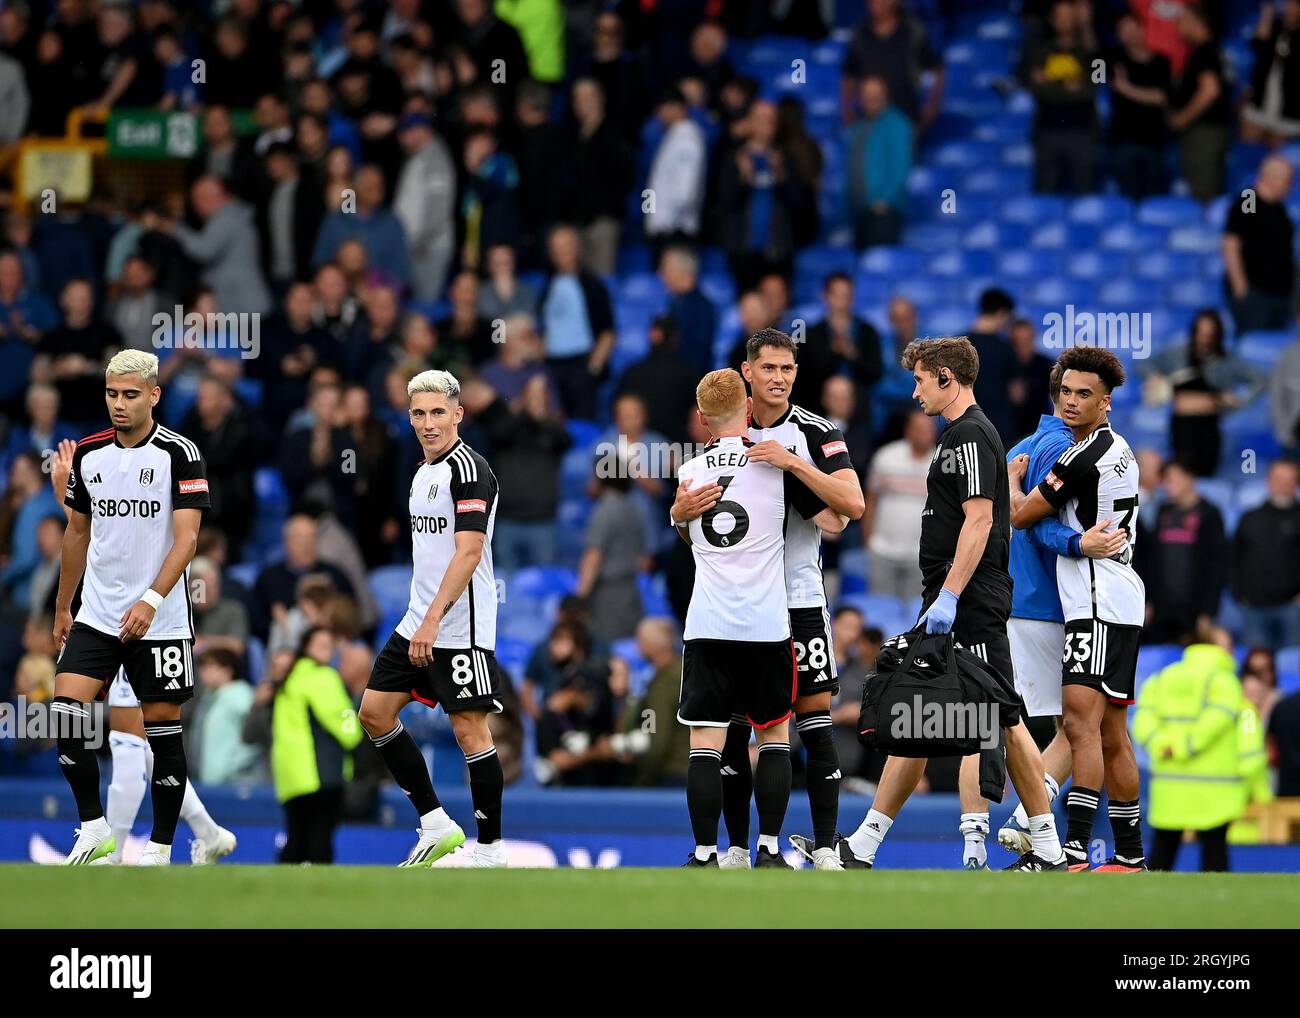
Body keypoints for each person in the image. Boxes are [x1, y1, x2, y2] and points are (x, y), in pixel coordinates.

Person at [819, 338, 1067, 871]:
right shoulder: (958, 435)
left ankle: (1048, 848)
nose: (915, 392)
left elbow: (979, 520)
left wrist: (952, 595)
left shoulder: (972, 435)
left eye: (921, 381)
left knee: (1002, 716)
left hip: (969, 598)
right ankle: (864, 844)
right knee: (919, 712)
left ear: (948, 379)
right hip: (949, 596)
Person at [675, 329, 866, 869]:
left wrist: (794, 464)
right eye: (769, 369)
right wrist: (678, 517)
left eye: (788, 369)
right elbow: (697, 531)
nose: (779, 379)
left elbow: (850, 507)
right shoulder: (723, 438)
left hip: (798, 594)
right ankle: (739, 845)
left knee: (814, 717)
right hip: (743, 601)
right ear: (747, 373)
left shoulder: (814, 431)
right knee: (737, 726)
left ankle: (826, 845)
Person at [51, 350, 212, 867]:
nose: (119, 405)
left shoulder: (180, 454)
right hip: (97, 614)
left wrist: (151, 599)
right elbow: (77, 533)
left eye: (130, 395)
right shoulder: (90, 454)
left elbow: (186, 541)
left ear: (154, 396)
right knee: (65, 712)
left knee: (161, 731)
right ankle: (94, 829)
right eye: (112, 394)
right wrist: (62, 607)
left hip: (159, 619)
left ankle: (161, 848)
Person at [357, 369, 508, 868]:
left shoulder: (471, 470)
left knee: (470, 732)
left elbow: (468, 554)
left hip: (458, 625)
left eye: (438, 412)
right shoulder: (422, 472)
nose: (428, 423)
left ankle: (490, 851)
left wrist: (433, 620)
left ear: (458, 414)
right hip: (418, 619)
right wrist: (420, 618)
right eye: (419, 413)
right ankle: (437, 823)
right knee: (374, 712)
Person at [1011, 345, 1147, 872]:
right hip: (1121, 598)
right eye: (1065, 391)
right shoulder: (1121, 450)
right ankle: (1131, 856)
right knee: (1112, 733)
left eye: (1083, 394)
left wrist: (1011, 481)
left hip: (1095, 601)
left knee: (1079, 727)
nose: (1070, 403)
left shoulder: (1081, 455)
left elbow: (1022, 515)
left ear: (1106, 402)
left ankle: (1069, 852)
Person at [1134, 634, 1264, 872]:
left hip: (1169, 783)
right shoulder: (1225, 682)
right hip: (1215, 788)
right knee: (1214, 851)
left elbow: (1142, 719)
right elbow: (1222, 721)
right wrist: (1187, 745)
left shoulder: (1162, 678)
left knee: (1163, 850)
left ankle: (1147, 903)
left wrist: (1161, 744)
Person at [268, 626, 362, 864]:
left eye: (330, 645)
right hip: (320, 772)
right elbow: (346, 725)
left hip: (291, 777)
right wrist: (355, 731)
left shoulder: (291, 678)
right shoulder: (322, 677)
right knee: (320, 844)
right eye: (321, 644)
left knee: (296, 840)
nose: (327, 650)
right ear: (307, 646)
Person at [1141, 308, 1267, 476]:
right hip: (1182, 427)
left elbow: (1260, 379)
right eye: (1201, 333)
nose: (1204, 339)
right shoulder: (1177, 354)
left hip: (1209, 427)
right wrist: (1155, 378)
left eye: (1210, 334)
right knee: (1182, 473)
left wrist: (1239, 401)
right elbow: (1144, 365)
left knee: (1207, 473)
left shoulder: (1227, 362)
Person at [1019, 0, 1099, 195]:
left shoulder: (1089, 52)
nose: (1065, 21)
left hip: (1082, 131)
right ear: (1052, 20)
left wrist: (1050, 81)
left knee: (1085, 195)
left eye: (1069, 16)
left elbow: (1095, 84)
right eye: (1060, 16)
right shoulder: (1039, 50)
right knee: (1045, 194)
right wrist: (1070, 86)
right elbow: (1032, 84)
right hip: (1047, 130)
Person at [1144, 459, 1227, 644]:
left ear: (1190, 478)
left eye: (1172, 480)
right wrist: (1148, 600)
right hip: (1161, 608)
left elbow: (1217, 566)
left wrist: (1208, 611)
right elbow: (1152, 560)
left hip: (1194, 610)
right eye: (1164, 480)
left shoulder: (1210, 514)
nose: (1167, 486)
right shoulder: (1163, 511)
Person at [862, 409, 934, 598]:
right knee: (880, 610)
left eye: (928, 429)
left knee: (917, 614)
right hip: (882, 549)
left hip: (921, 555)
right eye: (919, 429)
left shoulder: (941, 463)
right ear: (908, 430)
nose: (924, 434)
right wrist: (869, 539)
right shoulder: (886, 456)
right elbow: (870, 500)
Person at [1232, 458, 1300, 650]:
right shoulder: (1250, 518)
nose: (1283, 485)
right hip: (1253, 607)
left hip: (1292, 608)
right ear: (1269, 481)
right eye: (1278, 478)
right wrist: (1239, 593)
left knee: (1293, 665)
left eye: (1289, 480)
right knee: (1257, 664)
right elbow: (1235, 557)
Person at [1223, 155, 1295, 334]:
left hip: (1279, 294)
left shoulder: (1279, 209)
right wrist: (1241, 287)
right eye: (1286, 180)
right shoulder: (1250, 199)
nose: (1290, 185)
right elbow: (1232, 243)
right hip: (1255, 292)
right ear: (1269, 177)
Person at [1169, 4, 1231, 202]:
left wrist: (1182, 118)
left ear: (1197, 21)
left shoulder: (1205, 52)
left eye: (1183, 19)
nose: (1178, 24)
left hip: (1203, 134)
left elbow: (1210, 90)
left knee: (1202, 195)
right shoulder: (1217, 51)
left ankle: (1204, 233)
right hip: (1214, 130)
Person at [844, 75, 913, 249]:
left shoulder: (898, 124)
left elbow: (900, 166)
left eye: (876, 94)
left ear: (885, 95)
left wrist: (885, 200)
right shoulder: (858, 127)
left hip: (883, 211)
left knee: (877, 263)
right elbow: (851, 168)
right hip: (859, 210)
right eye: (866, 94)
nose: (871, 99)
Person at [1108, 12, 1171, 200]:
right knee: (1127, 201)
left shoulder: (1162, 62)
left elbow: (1161, 97)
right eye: (1124, 31)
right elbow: (1094, 61)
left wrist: (1126, 88)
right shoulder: (1114, 60)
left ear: (1143, 29)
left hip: (1154, 144)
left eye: (1134, 28)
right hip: (1123, 144)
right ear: (1119, 36)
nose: (1131, 34)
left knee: (1155, 202)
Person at [1242, 1, 1300, 146]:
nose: (1289, 8)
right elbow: (1258, 45)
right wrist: (1267, 15)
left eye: (1294, 5)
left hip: (1289, 109)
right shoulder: (1275, 26)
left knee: (1277, 159)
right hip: (1261, 101)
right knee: (1247, 149)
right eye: (1287, 4)